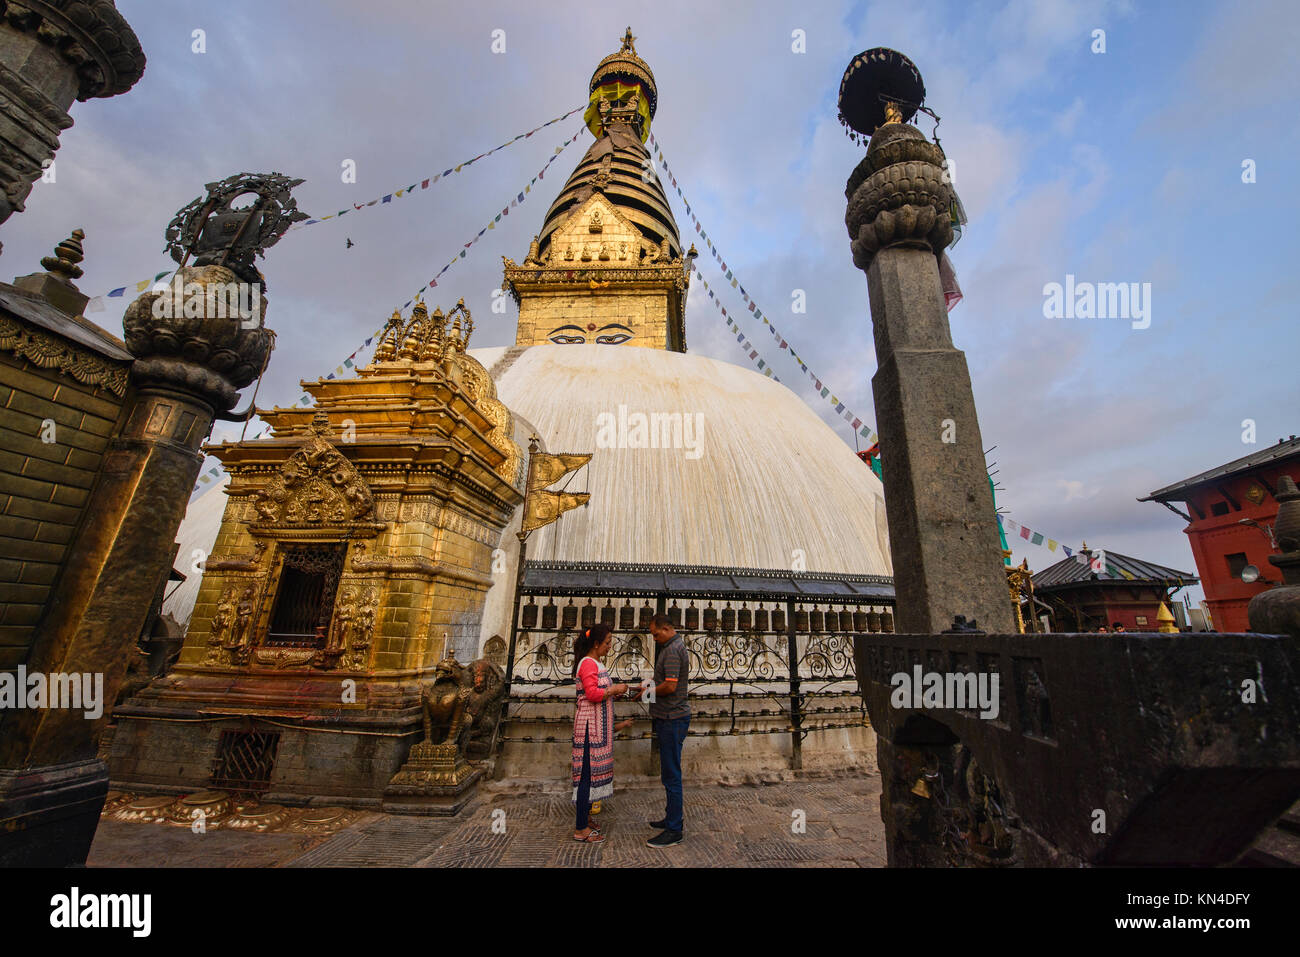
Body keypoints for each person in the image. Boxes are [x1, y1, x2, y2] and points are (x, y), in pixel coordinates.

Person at [571, 624, 632, 843]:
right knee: (586, 776)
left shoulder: (595, 663)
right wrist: (613, 690)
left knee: (592, 772)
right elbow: (592, 694)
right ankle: (580, 829)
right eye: (607, 642)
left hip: (598, 725)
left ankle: (585, 819)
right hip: (589, 727)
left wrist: (618, 693)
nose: (609, 646)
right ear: (596, 644)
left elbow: (600, 692)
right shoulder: (587, 663)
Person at [640, 613, 690, 847]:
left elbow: (670, 686)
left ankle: (674, 829)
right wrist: (648, 685)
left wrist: (647, 692)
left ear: (667, 628)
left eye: (656, 634)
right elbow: (667, 681)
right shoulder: (672, 646)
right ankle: (671, 818)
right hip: (670, 716)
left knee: (671, 775)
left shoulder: (671, 650)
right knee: (669, 772)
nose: (654, 639)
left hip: (672, 717)